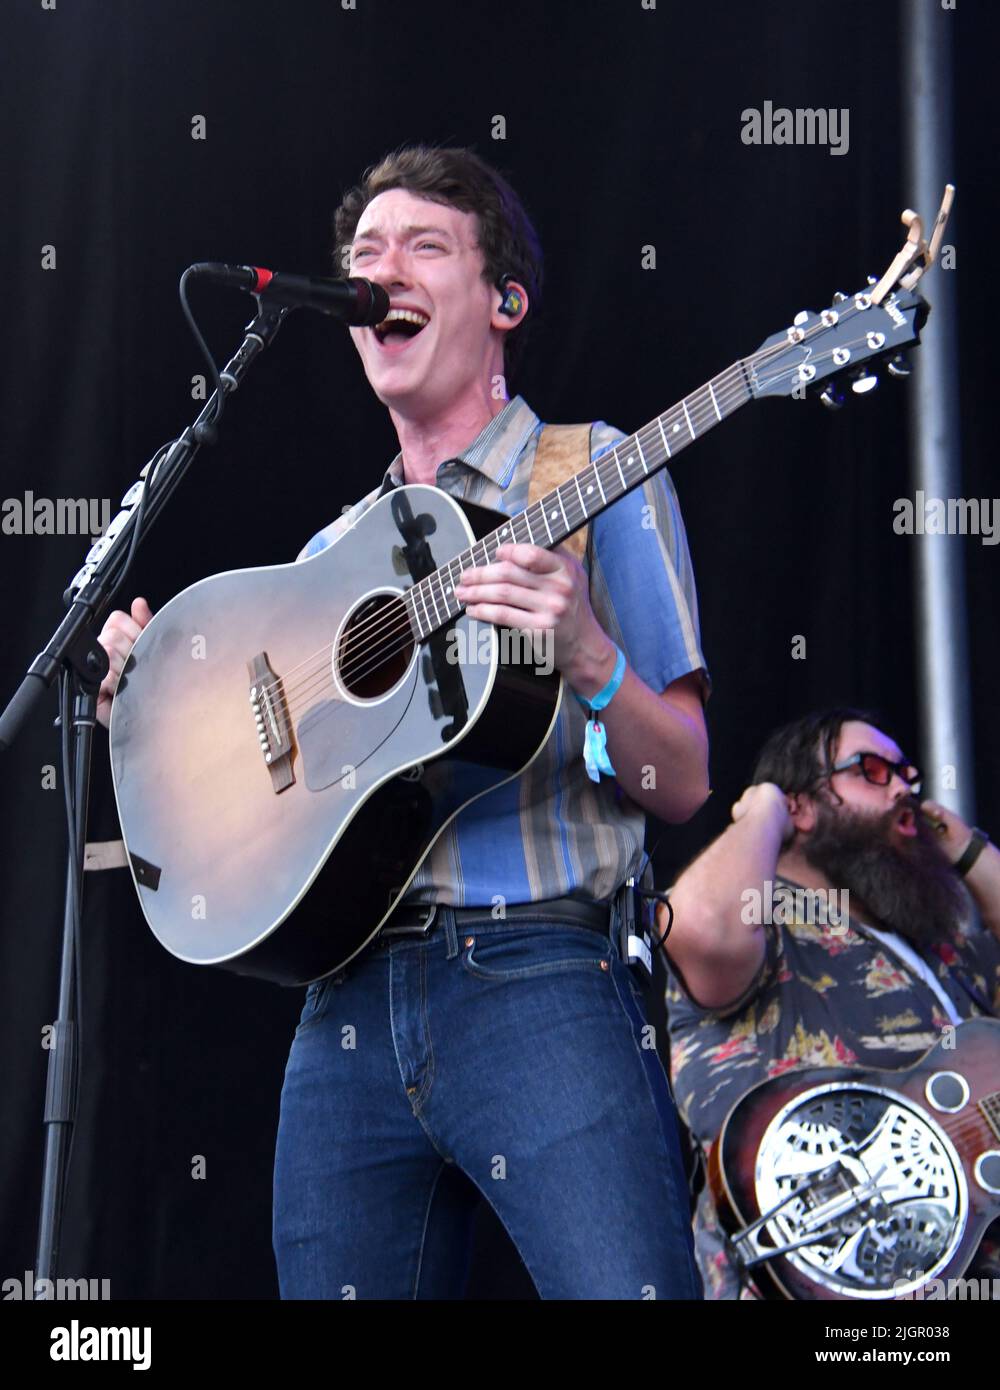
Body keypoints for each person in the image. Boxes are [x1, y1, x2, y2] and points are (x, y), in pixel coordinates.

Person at [94, 146, 711, 1299]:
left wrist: (587, 655)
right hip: (346, 1006)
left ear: (503, 300)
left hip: (541, 971)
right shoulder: (334, 554)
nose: (382, 274)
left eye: (424, 247)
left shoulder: (600, 471)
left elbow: (676, 781)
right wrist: (150, 711)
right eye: (363, 258)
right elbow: (246, 774)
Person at [662, 707, 1000, 1298]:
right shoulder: (768, 920)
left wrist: (966, 848)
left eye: (907, 775)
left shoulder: (943, 941)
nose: (903, 788)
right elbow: (702, 927)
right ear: (802, 806)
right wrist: (763, 806)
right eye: (871, 770)